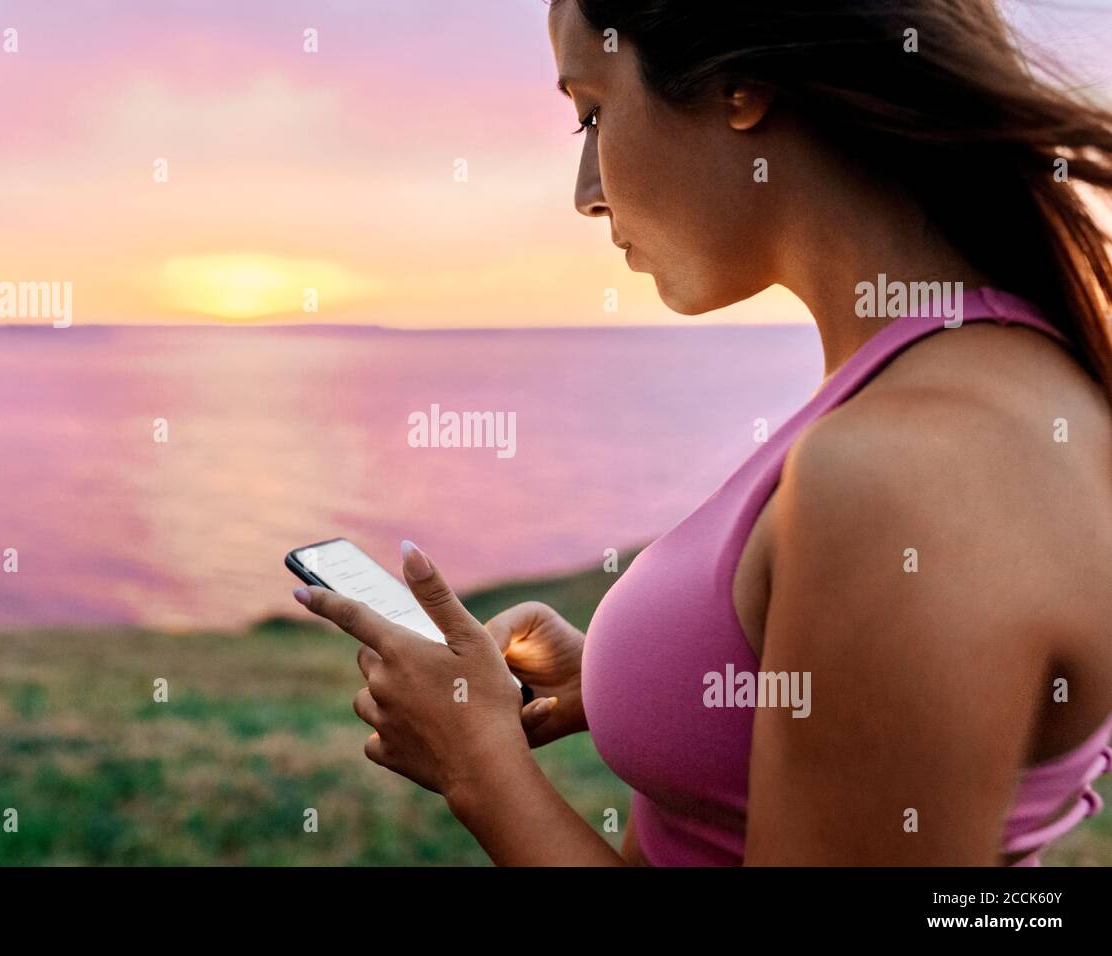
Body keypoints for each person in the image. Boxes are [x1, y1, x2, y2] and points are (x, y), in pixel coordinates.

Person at [292, 0, 1112, 865]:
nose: (586, 193)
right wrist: (638, 679)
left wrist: (477, 765)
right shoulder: (952, 383)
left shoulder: (920, 469)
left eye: (593, 113)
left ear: (740, 88)